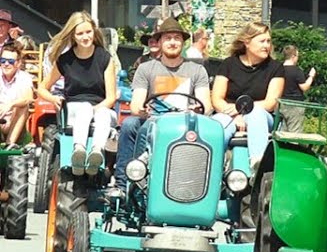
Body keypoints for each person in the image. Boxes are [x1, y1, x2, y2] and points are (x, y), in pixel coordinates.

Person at [111, 17, 211, 196]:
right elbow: (137, 104)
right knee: (129, 124)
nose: (172, 42)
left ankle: (203, 187)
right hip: (154, 120)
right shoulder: (146, 68)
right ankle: (124, 184)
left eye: (177, 38)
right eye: (168, 38)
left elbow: (207, 105)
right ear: (160, 41)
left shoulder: (197, 70)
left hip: (185, 123)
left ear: (183, 42)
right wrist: (141, 109)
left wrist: (198, 109)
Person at [36, 11, 117, 177]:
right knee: (84, 108)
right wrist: (53, 98)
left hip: (101, 108)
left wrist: (97, 108)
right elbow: (42, 87)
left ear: (94, 32)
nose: (85, 37)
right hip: (74, 108)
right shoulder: (65, 60)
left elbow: (111, 98)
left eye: (88, 32)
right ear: (73, 36)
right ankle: (78, 150)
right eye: (80, 34)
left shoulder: (105, 58)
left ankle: (96, 151)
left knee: (102, 113)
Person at [211, 21, 284, 167]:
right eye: (262, 41)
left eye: (268, 41)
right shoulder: (228, 64)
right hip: (229, 114)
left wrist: (241, 109)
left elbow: (270, 103)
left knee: (256, 113)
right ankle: (213, 165)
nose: (266, 46)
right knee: (218, 125)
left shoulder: (275, 68)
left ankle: (257, 166)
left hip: (262, 116)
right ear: (247, 42)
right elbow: (217, 98)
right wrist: (235, 115)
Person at [0, 44, 33, 149]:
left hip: (15, 121)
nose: (6, 64)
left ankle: (9, 145)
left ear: (18, 63)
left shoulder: (24, 77)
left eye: (10, 61)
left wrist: (11, 104)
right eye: (3, 60)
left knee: (23, 106)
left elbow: (28, 98)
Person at [278, 44, 316, 133]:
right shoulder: (296, 71)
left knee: (283, 132)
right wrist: (311, 76)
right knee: (295, 133)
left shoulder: (278, 70)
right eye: (297, 56)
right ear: (293, 56)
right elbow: (304, 87)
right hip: (295, 105)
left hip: (281, 104)